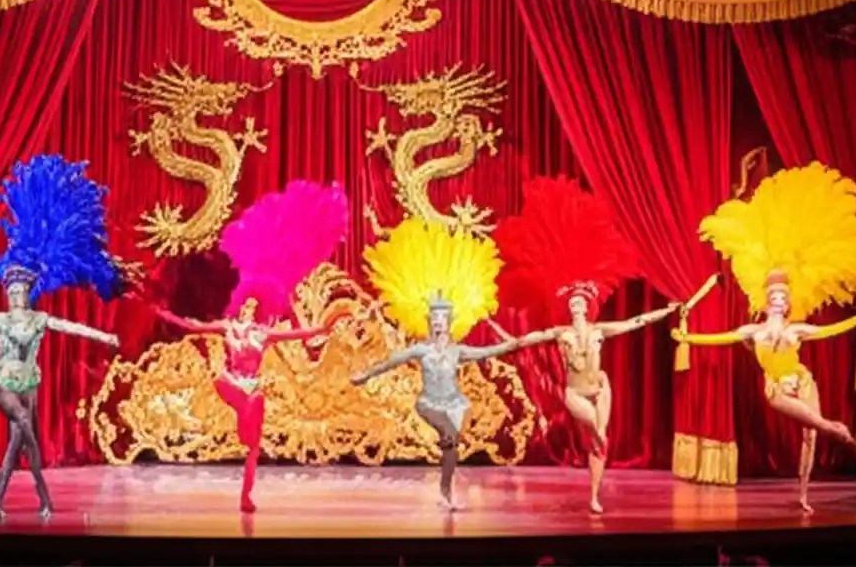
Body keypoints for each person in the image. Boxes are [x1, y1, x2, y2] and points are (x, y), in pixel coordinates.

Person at [675, 162, 856, 513]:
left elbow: (836, 329)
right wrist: (686, 337)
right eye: (773, 296)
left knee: (810, 435)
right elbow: (718, 338)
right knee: (820, 425)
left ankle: (804, 494)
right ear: (765, 299)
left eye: (782, 297)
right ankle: (839, 431)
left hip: (802, 380)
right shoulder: (753, 331)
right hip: (777, 389)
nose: (778, 300)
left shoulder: (798, 330)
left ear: (788, 301)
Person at [0, 155, 128, 521]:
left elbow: (74, 327)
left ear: (28, 292)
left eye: (20, 291)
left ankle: (2, 499)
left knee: (18, 440)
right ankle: (44, 495)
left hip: (30, 380)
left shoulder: (41, 318)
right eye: (10, 291)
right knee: (24, 430)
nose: (14, 296)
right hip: (1, 379)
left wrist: (105, 336)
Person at [492, 175, 691, 514]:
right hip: (574, 393)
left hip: (600, 387)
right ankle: (597, 440)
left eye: (583, 304)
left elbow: (635, 323)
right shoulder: (562, 333)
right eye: (574, 305)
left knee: (601, 443)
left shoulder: (600, 330)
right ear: (568, 308)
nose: (578, 307)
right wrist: (497, 330)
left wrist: (666, 311)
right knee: (598, 432)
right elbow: (522, 341)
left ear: (590, 305)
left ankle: (595, 495)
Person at [156, 180, 349, 513]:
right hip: (230, 383)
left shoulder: (264, 334)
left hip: (251, 387)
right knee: (232, 387)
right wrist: (165, 315)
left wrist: (331, 323)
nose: (247, 310)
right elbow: (195, 327)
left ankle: (246, 495)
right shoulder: (227, 327)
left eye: (252, 306)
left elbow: (303, 335)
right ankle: (245, 415)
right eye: (243, 304)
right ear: (237, 304)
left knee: (253, 446)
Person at [352, 217, 521, 512]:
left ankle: (446, 490)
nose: (440, 324)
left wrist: (510, 345)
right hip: (429, 403)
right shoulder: (421, 349)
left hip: (455, 402)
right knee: (448, 435)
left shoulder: (458, 351)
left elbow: (486, 352)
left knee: (451, 451)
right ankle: (446, 487)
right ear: (431, 323)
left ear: (450, 323)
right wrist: (365, 375)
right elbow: (391, 362)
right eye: (436, 320)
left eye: (444, 320)